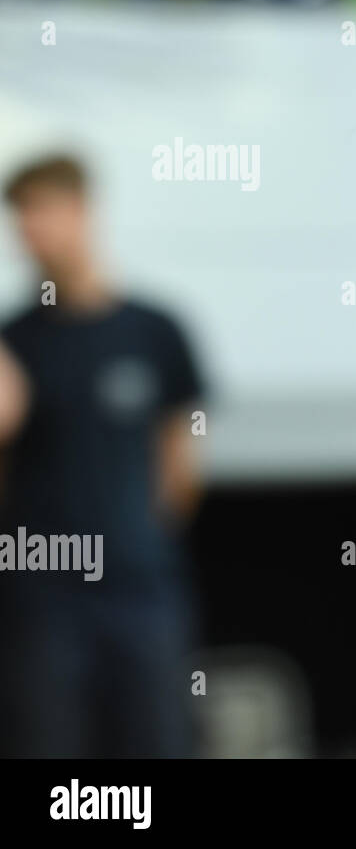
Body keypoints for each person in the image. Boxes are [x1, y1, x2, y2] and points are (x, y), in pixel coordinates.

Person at [0, 154, 205, 757]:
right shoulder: (14, 343)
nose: (31, 230)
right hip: (43, 599)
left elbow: (181, 458)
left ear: (83, 211)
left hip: (140, 591)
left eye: (43, 210)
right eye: (21, 215)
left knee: (154, 745)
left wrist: (141, 535)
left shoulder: (154, 330)